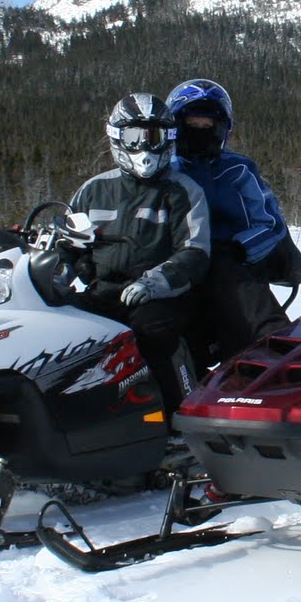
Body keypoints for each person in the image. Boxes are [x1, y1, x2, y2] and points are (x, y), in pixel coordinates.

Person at [68, 92, 211, 414]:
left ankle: (182, 413)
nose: (145, 147)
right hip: (102, 291)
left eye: (154, 137)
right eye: (135, 137)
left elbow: (195, 251)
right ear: (118, 138)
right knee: (59, 333)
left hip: (163, 295)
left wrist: (154, 282)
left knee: (153, 332)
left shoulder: (182, 191)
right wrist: (55, 268)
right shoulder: (93, 190)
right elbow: (69, 243)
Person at [165, 77, 301, 364]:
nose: (201, 132)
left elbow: (270, 222)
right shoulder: (166, 171)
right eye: (193, 125)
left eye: (208, 126)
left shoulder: (237, 169)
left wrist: (242, 247)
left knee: (241, 298)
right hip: (179, 262)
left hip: (235, 260)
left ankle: (282, 362)